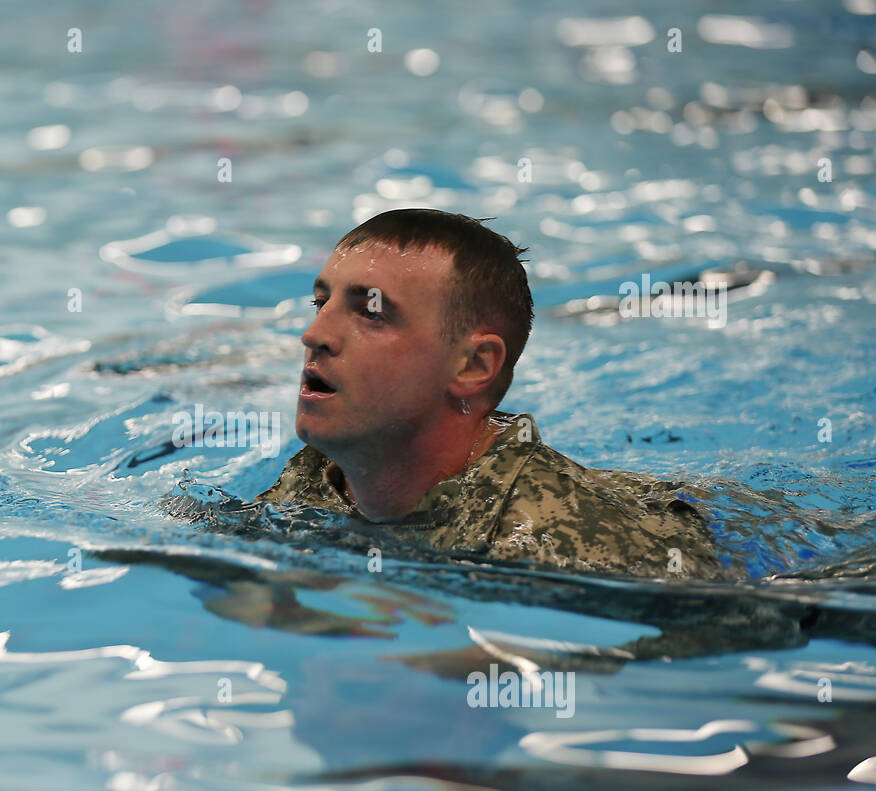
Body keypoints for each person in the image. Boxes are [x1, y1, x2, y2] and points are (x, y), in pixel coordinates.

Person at [258, 208, 728, 580]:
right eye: (321, 303)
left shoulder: (557, 540)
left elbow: (746, 627)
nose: (314, 334)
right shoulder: (320, 477)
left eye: (371, 314)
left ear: (473, 365)